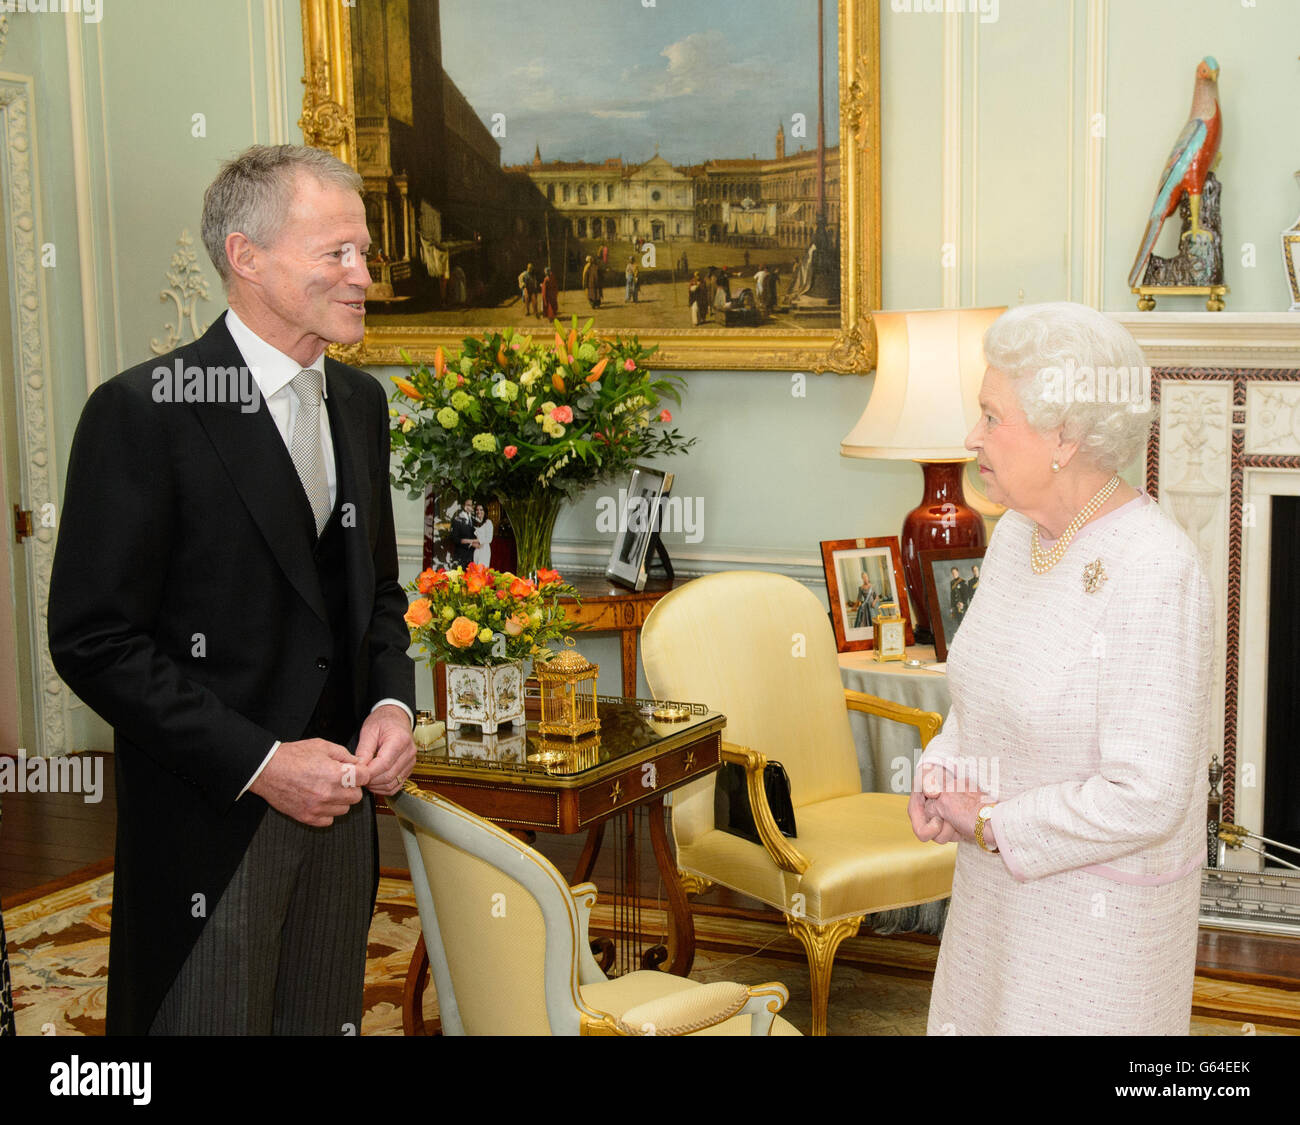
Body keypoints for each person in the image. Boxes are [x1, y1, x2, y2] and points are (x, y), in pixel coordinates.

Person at [47, 145, 417, 1036]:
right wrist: (260, 762)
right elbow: (94, 640)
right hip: (210, 830)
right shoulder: (142, 412)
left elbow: (378, 597)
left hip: (343, 819)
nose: (365, 275)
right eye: (338, 253)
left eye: (363, 252)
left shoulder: (360, 403)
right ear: (246, 256)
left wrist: (396, 707)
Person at [908, 301, 1212, 1035]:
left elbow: (1148, 794)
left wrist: (993, 821)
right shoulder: (1017, 534)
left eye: (991, 417)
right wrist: (943, 765)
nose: (972, 437)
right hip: (994, 903)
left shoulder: (1156, 566)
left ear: (1065, 437)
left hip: (1095, 925)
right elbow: (981, 688)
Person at [449, 499, 478, 567]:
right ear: (463, 506)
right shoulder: (457, 519)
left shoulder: (474, 520)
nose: (470, 507)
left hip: (473, 555)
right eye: (468, 505)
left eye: (471, 505)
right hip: (461, 555)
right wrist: (470, 543)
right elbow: (454, 538)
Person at [472, 502, 494, 568]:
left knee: (482, 570)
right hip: (476, 549)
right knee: (475, 570)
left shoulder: (488, 522)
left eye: (481, 510)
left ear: (485, 511)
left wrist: (479, 541)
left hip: (484, 549)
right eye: (477, 510)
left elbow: (489, 539)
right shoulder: (474, 523)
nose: (479, 511)